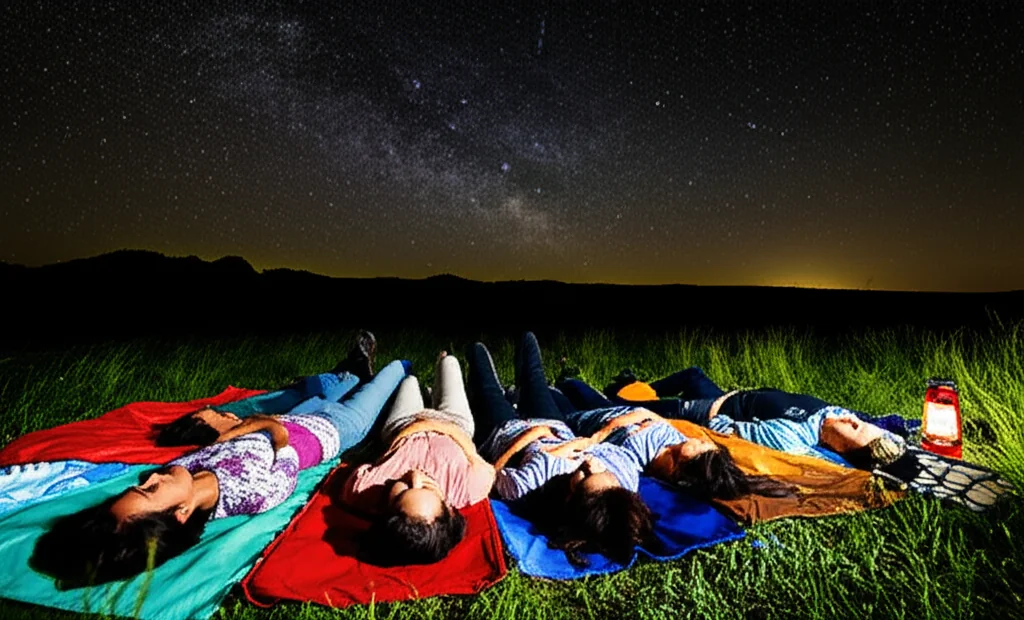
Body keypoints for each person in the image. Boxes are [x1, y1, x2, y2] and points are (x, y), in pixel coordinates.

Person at [32, 358, 409, 587]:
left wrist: (251, 426)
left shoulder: (182, 470)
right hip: (335, 427)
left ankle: (354, 371)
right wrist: (256, 427)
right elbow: (284, 446)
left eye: (140, 484)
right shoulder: (253, 493)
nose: (150, 478)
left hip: (296, 414)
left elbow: (265, 431)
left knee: (344, 383)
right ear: (180, 515)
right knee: (394, 373)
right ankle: (409, 376)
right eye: (149, 491)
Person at [467, 334, 656, 567]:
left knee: (480, 367)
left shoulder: (530, 484)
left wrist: (527, 446)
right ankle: (516, 390)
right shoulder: (624, 478)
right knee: (532, 363)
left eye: (585, 477)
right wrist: (562, 447)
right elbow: (596, 445)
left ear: (569, 498)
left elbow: (492, 476)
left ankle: (501, 392)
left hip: (504, 432)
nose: (590, 464)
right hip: (555, 425)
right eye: (602, 470)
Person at [557, 367, 908, 471]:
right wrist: (900, 430)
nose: (849, 418)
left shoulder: (790, 437)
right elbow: (879, 423)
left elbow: (729, 432)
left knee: (616, 407)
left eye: (853, 429)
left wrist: (714, 412)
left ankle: (575, 384)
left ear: (838, 446)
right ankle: (634, 384)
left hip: (707, 410)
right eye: (859, 422)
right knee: (693, 374)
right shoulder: (837, 416)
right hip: (730, 392)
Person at [339, 352, 495, 567]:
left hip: (403, 423)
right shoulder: (468, 488)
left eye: (403, 491)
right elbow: (472, 451)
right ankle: (440, 363)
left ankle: (422, 389)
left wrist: (407, 434)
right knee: (450, 362)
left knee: (410, 381)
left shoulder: (365, 490)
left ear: (383, 510)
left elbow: (369, 466)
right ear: (448, 508)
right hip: (454, 423)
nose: (416, 476)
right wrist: (432, 426)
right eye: (429, 488)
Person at [155, 331, 378, 447]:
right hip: (298, 418)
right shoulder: (237, 438)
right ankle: (350, 374)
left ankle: (346, 372)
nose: (224, 414)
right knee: (319, 397)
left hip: (268, 410)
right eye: (218, 415)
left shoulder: (232, 417)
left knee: (294, 393)